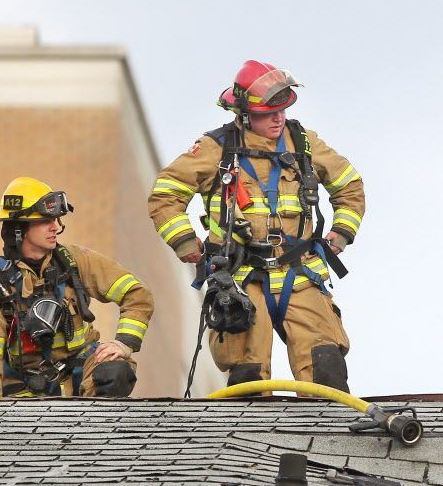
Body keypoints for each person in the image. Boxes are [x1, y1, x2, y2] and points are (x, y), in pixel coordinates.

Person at [148, 60, 364, 392]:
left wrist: (342, 232)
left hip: (301, 272)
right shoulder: (214, 149)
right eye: (269, 112)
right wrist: (185, 242)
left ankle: (328, 436)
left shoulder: (304, 143)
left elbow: (349, 186)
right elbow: (165, 194)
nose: (279, 118)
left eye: (283, 109)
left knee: (326, 365)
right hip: (240, 278)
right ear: (245, 114)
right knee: (246, 376)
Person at [0, 177, 154, 398]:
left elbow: (137, 294)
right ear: (19, 228)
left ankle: (97, 431)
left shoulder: (75, 261)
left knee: (115, 372)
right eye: (45, 221)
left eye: (56, 219)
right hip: (26, 387)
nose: (55, 227)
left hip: (80, 372)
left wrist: (124, 343)